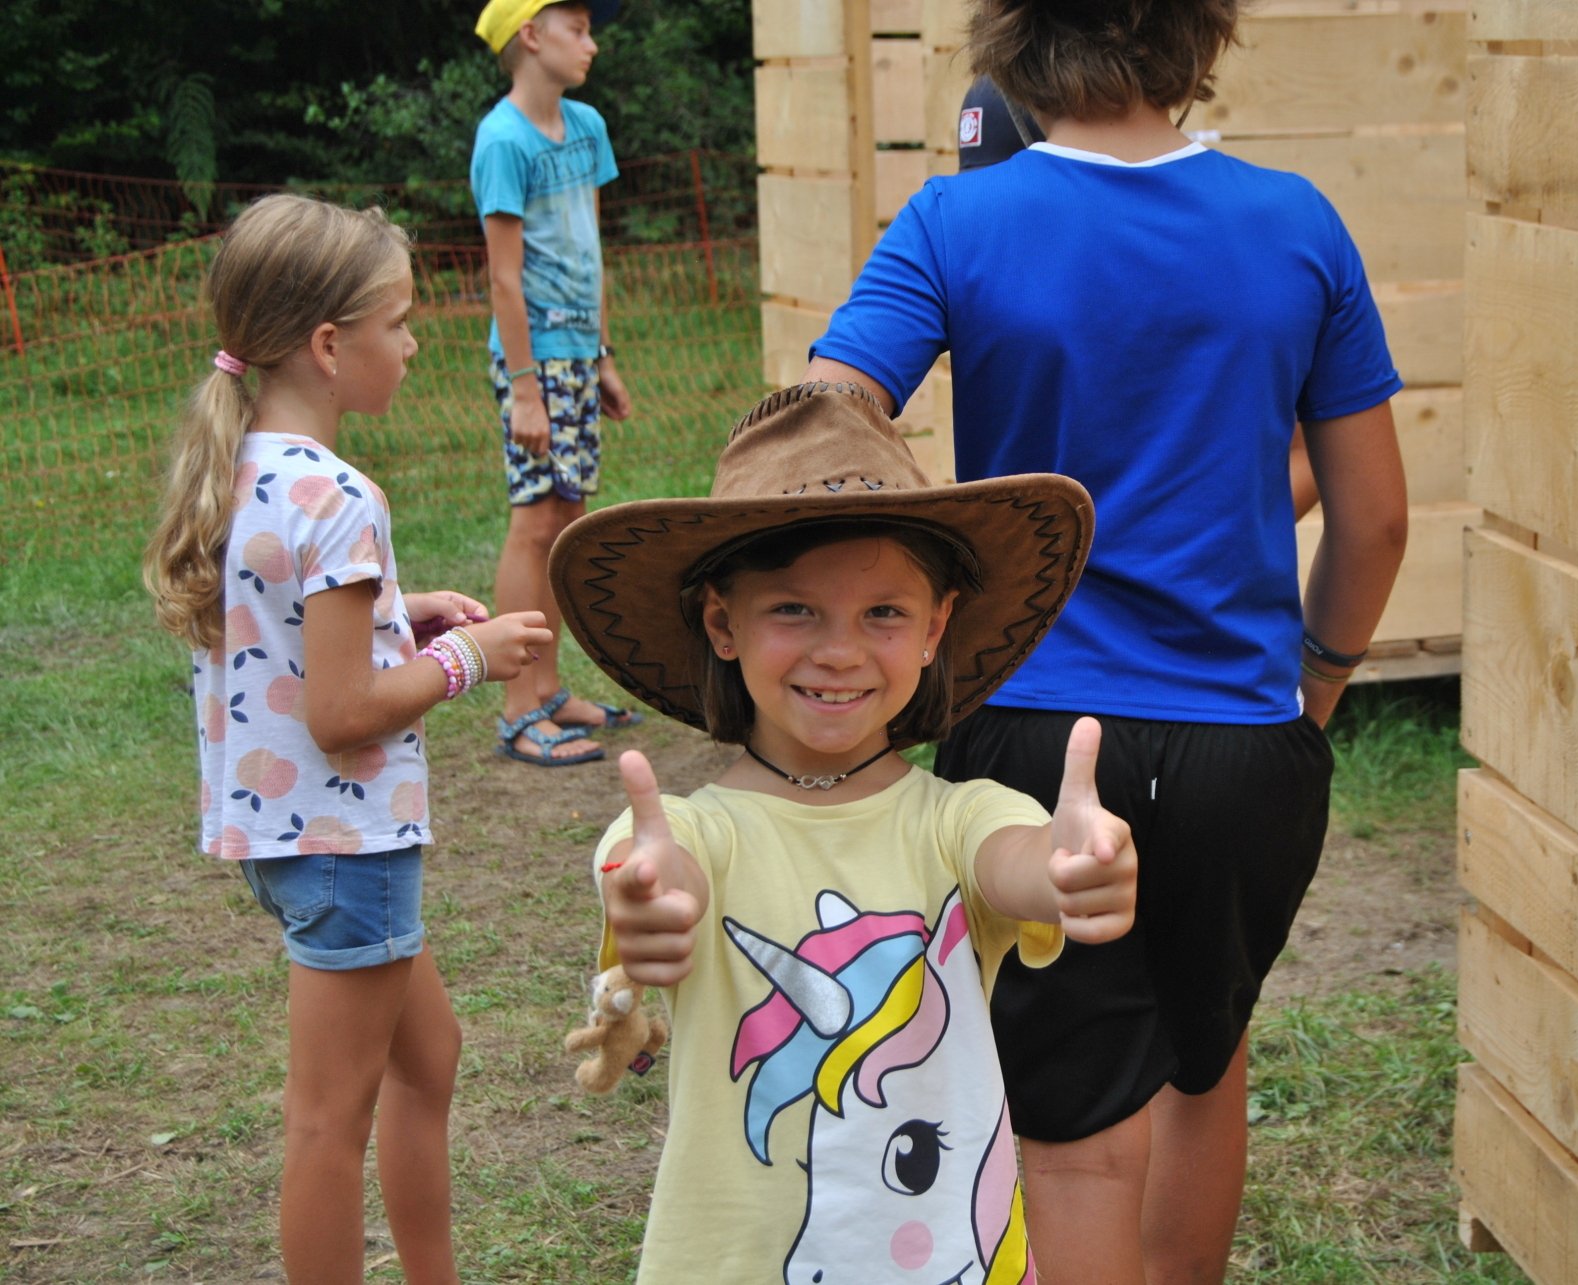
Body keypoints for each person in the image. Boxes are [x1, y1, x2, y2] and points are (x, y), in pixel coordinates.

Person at [803, 1, 1410, 1279]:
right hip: (1244, 741)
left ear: (1012, 36)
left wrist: (899, 605)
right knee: (1209, 1060)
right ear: (1200, 31)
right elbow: (1376, 520)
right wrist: (1320, 682)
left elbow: (822, 423)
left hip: (1026, 739)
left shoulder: (955, 223)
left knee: (1072, 1138)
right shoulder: (1297, 222)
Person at [546, 381, 1139, 1281]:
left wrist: (1069, 864)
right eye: (794, 608)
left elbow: (1016, 859)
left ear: (936, 627)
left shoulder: (956, 817)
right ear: (722, 623)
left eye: (884, 613)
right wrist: (649, 890)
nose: (839, 650)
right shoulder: (703, 832)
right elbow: (656, 866)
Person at [142, 193, 552, 1284]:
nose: (414, 344)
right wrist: (471, 658)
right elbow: (339, 714)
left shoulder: (244, 472)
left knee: (433, 1058)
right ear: (331, 346)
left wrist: (398, 623)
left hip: (293, 844)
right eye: (400, 323)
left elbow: (286, 642)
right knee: (329, 1123)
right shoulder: (339, 496)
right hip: (345, 845)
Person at [471, 0, 637, 766]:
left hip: (578, 353)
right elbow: (504, 281)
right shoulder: (502, 140)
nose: (591, 44)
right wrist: (528, 388)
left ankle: (550, 690)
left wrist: (601, 355)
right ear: (531, 37)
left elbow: (591, 245)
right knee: (532, 521)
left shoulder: (590, 128)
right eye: (577, 29)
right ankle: (515, 708)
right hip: (531, 359)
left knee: (567, 519)